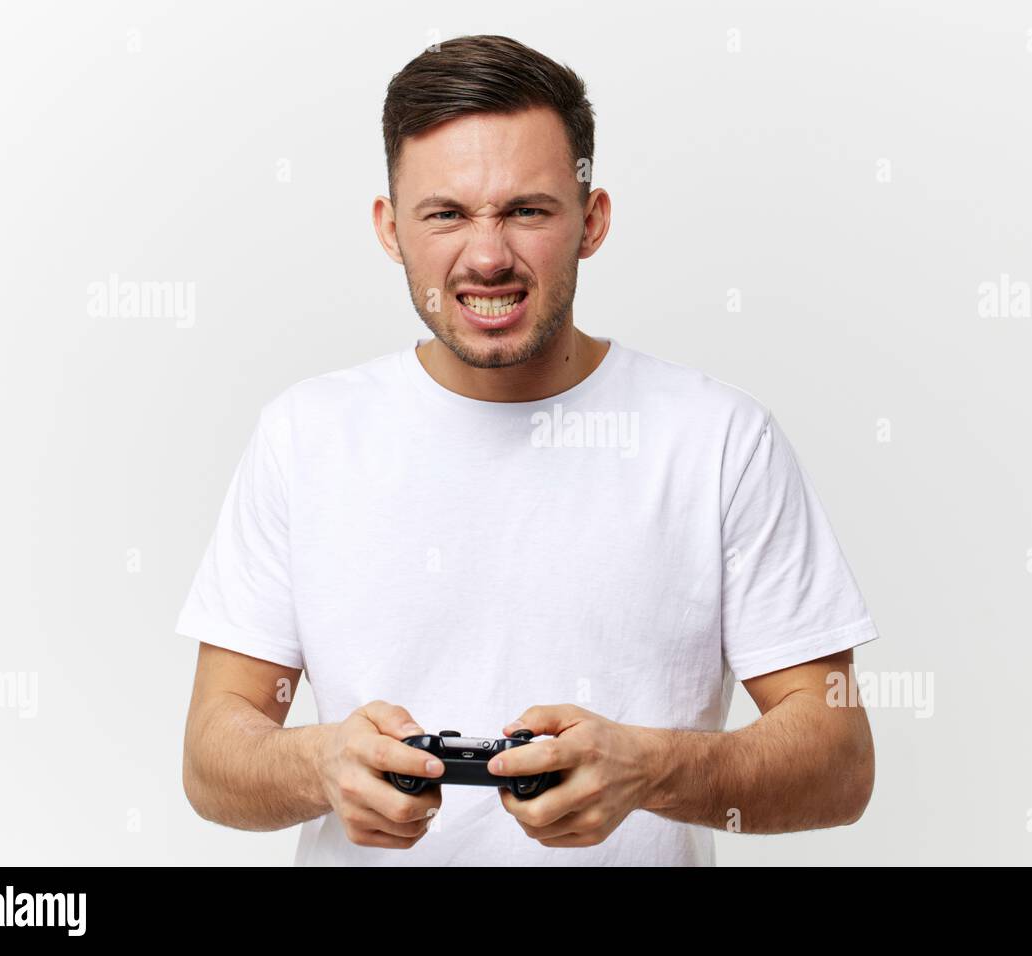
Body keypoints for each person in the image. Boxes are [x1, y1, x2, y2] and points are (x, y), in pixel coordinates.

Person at [177, 34, 881, 866]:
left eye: (527, 210)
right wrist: (317, 763)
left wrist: (651, 769)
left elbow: (840, 760)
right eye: (445, 213)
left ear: (593, 220)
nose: (486, 257)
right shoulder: (305, 436)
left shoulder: (719, 439)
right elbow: (211, 757)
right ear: (389, 228)